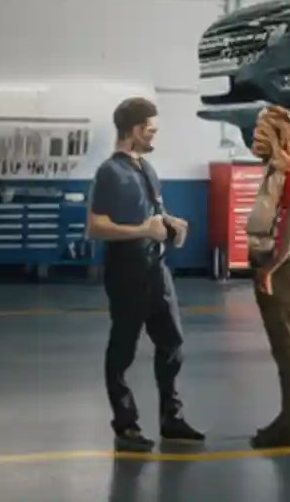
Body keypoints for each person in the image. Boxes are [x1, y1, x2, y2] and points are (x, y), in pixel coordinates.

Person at [87, 97, 204, 451]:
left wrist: (170, 223)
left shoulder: (146, 169)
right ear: (135, 130)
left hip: (156, 268)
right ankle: (126, 424)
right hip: (126, 270)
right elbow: (96, 227)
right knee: (123, 348)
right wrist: (143, 230)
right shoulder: (109, 173)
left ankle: (171, 417)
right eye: (150, 130)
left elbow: (154, 213)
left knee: (172, 342)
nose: (154, 136)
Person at [245, 104, 290, 448]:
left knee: (288, 346)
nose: (255, 138)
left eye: (262, 132)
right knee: (280, 347)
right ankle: (288, 417)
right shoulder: (273, 171)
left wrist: (270, 269)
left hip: (282, 268)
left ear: (279, 136)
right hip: (267, 264)